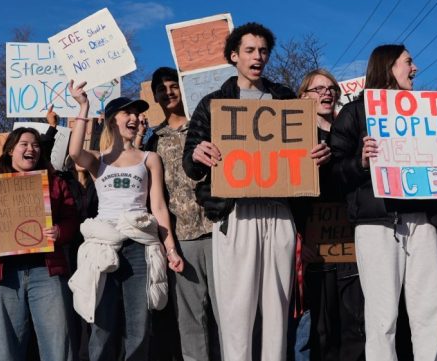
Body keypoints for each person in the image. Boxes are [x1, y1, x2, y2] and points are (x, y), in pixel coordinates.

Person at [182, 22, 331, 361]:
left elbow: (308, 149)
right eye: (250, 50)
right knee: (236, 311)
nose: (258, 57)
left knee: (277, 310)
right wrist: (197, 153)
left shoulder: (285, 99)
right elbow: (190, 165)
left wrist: (319, 153)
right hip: (235, 213)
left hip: (279, 212)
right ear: (234, 56)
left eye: (263, 50)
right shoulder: (213, 103)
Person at [329, 44, 437, 361]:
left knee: (431, 310)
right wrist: (361, 163)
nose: (415, 69)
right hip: (377, 224)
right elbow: (332, 173)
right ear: (387, 67)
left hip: (420, 221)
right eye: (409, 62)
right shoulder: (355, 113)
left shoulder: (426, 112)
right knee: (382, 318)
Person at [67, 88, 184, 361]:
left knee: (139, 328)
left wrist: (171, 249)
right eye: (127, 112)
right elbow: (74, 153)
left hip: (139, 247)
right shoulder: (98, 160)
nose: (134, 117)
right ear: (112, 121)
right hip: (103, 247)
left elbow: (157, 207)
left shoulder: (149, 159)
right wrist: (83, 106)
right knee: (103, 327)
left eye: (137, 113)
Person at [0, 127, 79, 361]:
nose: (31, 149)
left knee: (57, 340)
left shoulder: (55, 182)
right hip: (3, 275)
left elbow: (72, 221)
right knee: (1, 344)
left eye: (36, 145)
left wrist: (59, 231)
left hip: (45, 272)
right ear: (9, 150)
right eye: (24, 144)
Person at [144, 66, 220, 361]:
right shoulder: (154, 141)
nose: (168, 92)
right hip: (182, 238)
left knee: (225, 310)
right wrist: (168, 243)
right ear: (155, 97)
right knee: (190, 318)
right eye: (161, 89)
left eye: (172, 85)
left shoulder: (205, 126)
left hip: (217, 229)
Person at [296, 69, 365, 361]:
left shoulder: (350, 133)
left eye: (331, 88)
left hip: (350, 241)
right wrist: (300, 238)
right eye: (318, 89)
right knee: (320, 331)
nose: (326, 93)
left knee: (354, 325)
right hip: (315, 247)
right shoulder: (294, 138)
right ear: (303, 97)